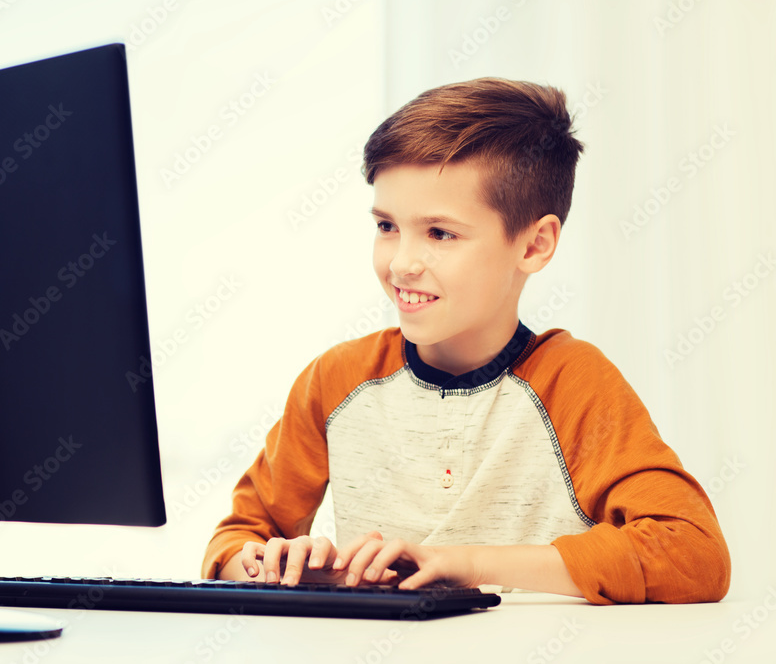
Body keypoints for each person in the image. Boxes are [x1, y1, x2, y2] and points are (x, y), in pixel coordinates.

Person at [201, 78, 730, 604]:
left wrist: (463, 564)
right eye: (387, 225)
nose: (401, 263)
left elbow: (694, 555)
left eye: (440, 234)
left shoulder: (572, 382)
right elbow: (231, 545)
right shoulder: (336, 380)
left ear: (534, 245)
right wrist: (270, 565)